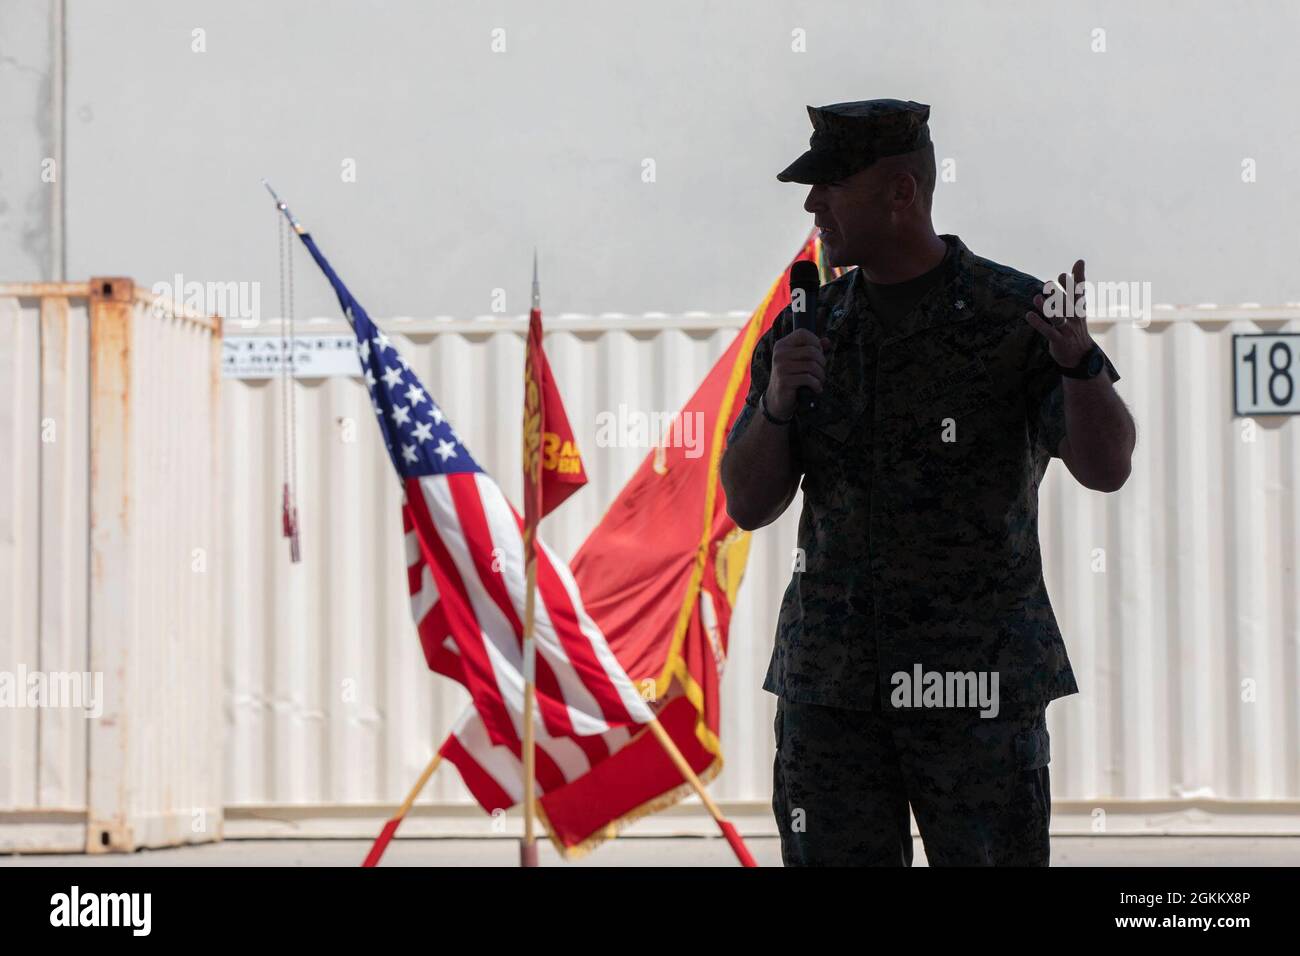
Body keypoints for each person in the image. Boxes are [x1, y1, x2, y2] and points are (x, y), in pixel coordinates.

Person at [721, 99, 1136, 866]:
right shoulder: (806, 329)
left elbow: (1107, 466)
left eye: (831, 185)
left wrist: (1080, 365)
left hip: (975, 691)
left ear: (900, 192)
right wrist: (777, 404)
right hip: (833, 694)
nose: (813, 205)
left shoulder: (1016, 316)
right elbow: (746, 504)